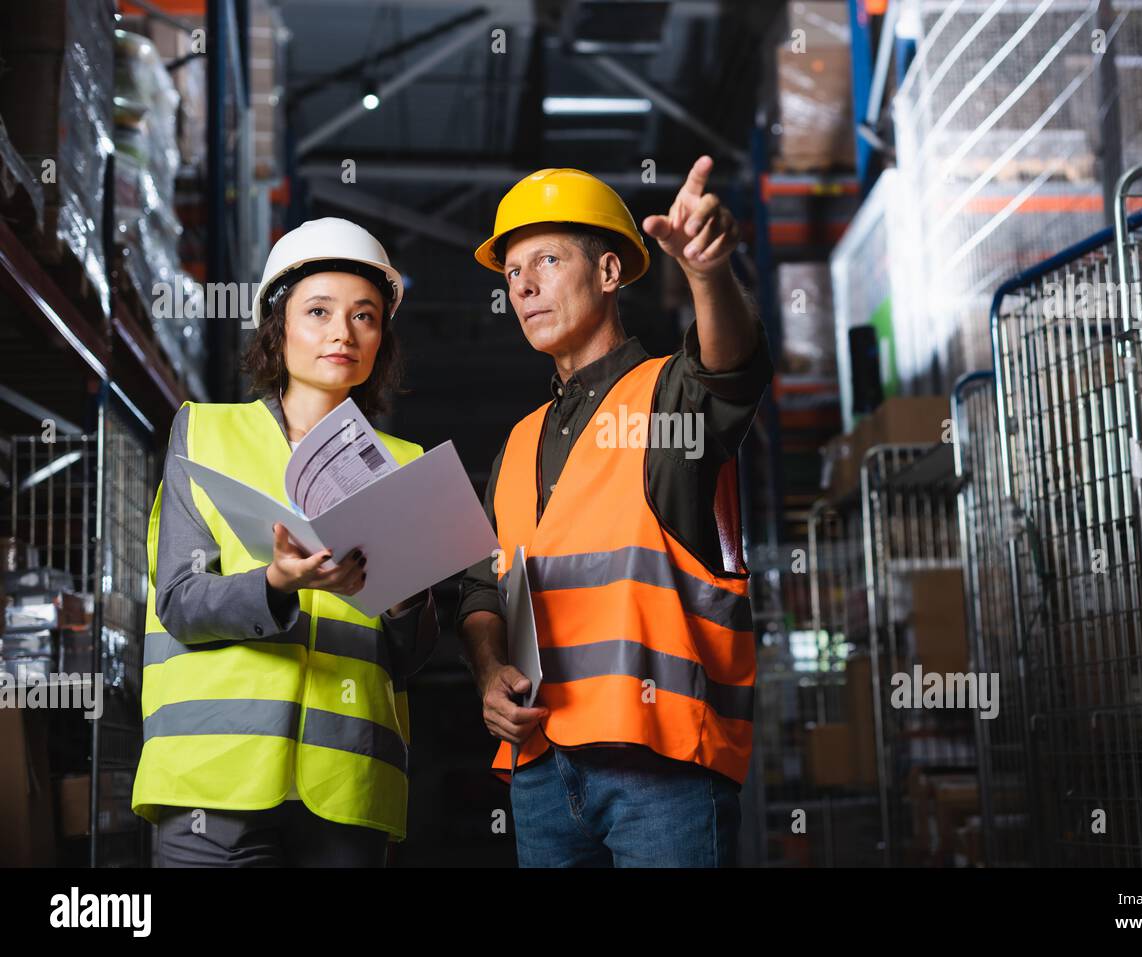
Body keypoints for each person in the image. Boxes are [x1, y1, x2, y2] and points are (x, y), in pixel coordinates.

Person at [457, 157, 771, 867]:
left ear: (608, 273)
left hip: (659, 765)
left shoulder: (666, 398)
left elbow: (732, 369)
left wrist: (707, 273)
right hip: (538, 769)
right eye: (511, 272)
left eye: (547, 260)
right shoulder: (518, 441)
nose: (525, 285)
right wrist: (487, 673)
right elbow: (483, 586)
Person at [131, 218, 438, 867]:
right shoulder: (206, 435)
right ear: (279, 325)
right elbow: (181, 602)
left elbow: (410, 659)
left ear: (382, 339)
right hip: (211, 783)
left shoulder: (405, 466)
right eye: (319, 310)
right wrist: (276, 584)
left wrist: (409, 597)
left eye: (365, 317)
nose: (342, 333)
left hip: (346, 793)